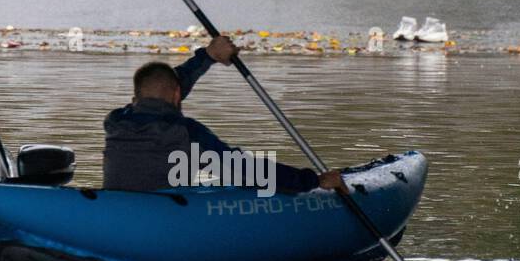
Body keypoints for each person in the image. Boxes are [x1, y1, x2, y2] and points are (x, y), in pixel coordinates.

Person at [103, 35, 347, 195]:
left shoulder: (116, 121)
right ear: (178, 95)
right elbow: (244, 171)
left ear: (135, 98)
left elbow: (161, 95)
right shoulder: (185, 134)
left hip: (118, 209)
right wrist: (313, 181)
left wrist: (208, 57)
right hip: (164, 216)